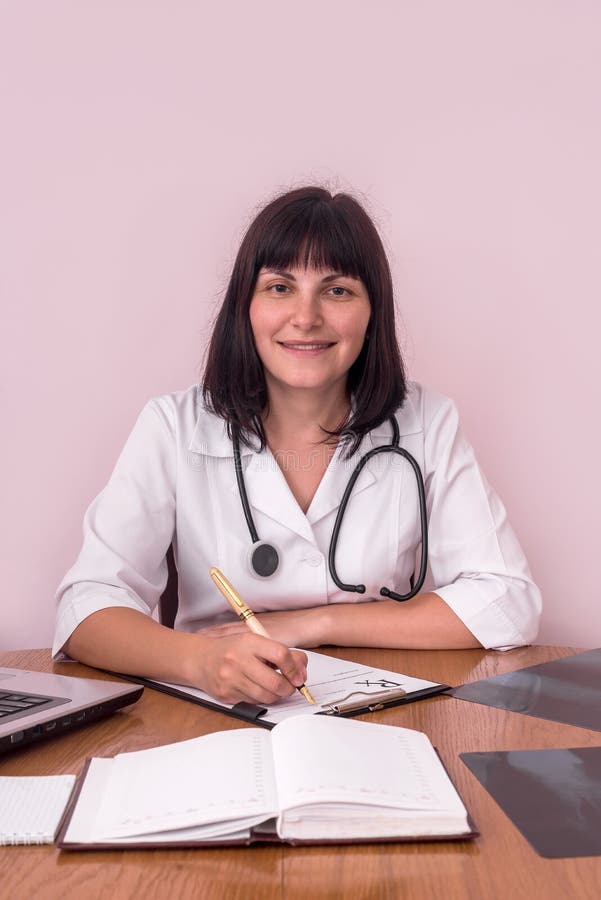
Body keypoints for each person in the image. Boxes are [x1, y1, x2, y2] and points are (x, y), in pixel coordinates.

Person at [53, 186, 541, 705]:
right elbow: (85, 609)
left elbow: (507, 601)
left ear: (373, 310)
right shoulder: (175, 426)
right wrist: (199, 661)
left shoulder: (427, 420)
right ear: (246, 305)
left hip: (382, 709)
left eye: (337, 291)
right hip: (219, 712)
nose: (305, 317)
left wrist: (309, 623)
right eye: (280, 287)